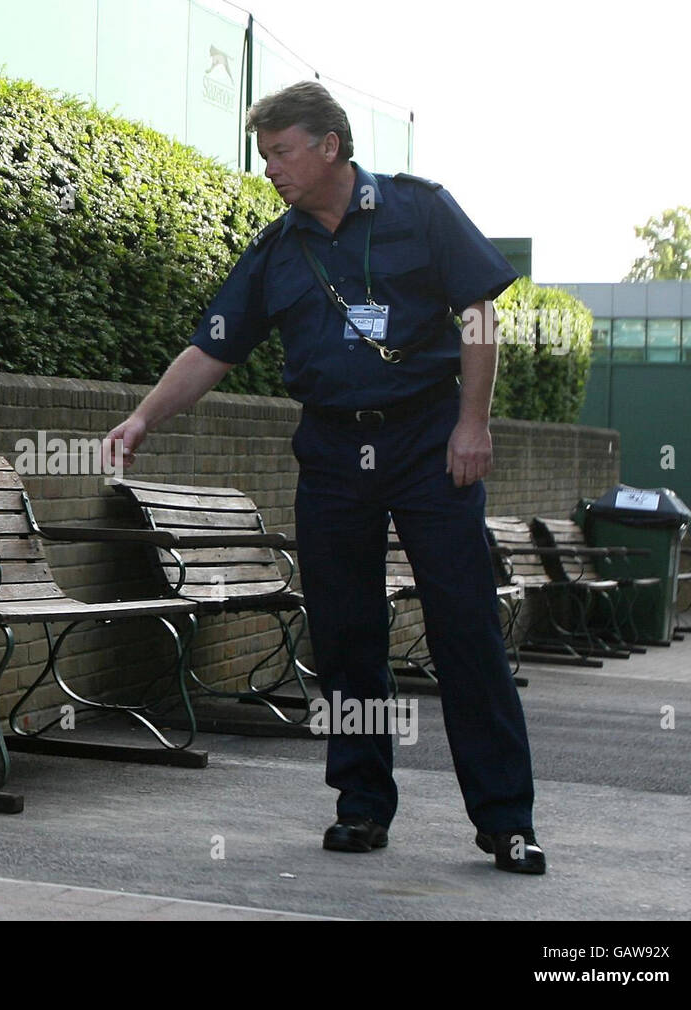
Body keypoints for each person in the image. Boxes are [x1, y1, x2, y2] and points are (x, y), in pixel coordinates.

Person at [104, 81, 544, 874]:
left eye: (280, 151)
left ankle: (506, 819)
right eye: (264, 153)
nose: (268, 166)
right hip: (334, 456)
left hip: (428, 446)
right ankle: (362, 805)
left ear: (329, 146)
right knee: (346, 636)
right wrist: (143, 418)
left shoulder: (421, 210)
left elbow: (479, 312)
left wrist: (473, 424)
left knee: (465, 628)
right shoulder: (278, 248)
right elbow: (213, 349)